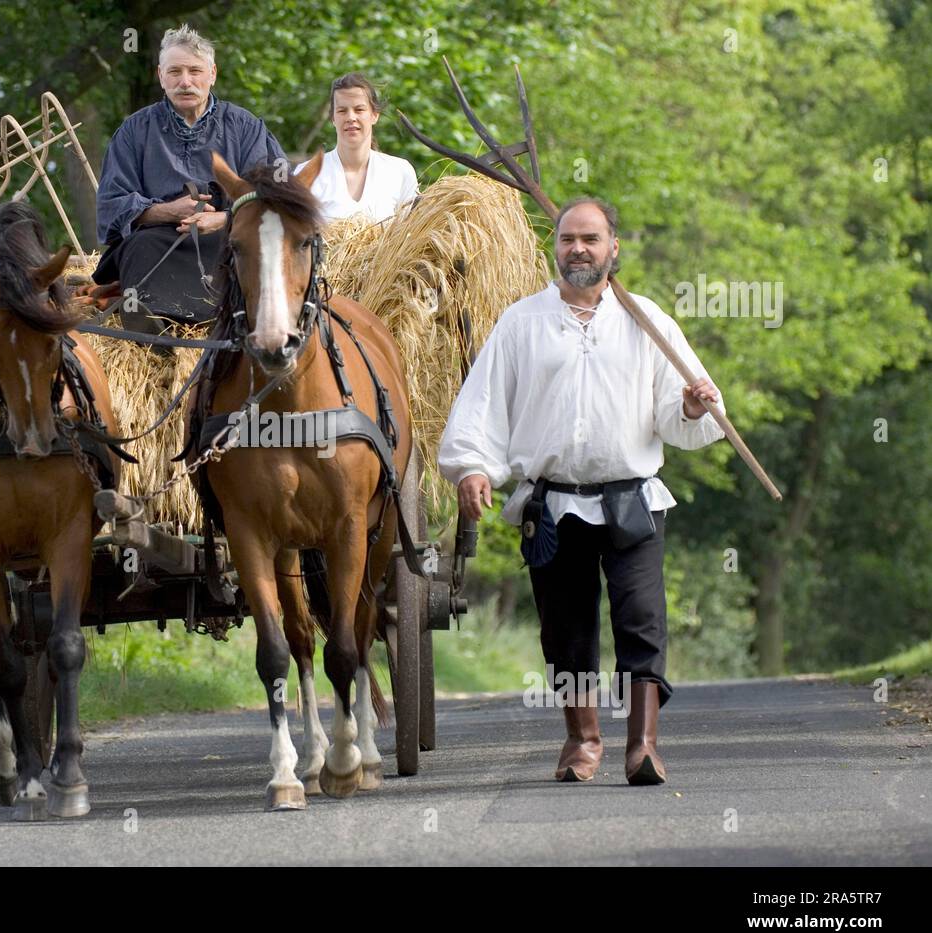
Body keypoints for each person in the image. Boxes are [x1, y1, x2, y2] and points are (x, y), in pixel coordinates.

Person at [437, 197, 726, 786]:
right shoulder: (522, 322)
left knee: (641, 621)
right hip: (552, 503)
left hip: (632, 500)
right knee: (565, 629)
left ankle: (643, 745)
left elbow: (681, 414)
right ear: (556, 247)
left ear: (613, 247)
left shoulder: (649, 321)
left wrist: (692, 406)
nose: (578, 249)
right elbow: (484, 403)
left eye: (591, 239)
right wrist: (472, 468)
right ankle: (582, 740)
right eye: (568, 239)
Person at [92, 24, 286, 326]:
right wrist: (167, 212)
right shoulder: (134, 131)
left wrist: (224, 219)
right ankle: (153, 323)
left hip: (225, 237)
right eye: (174, 72)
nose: (185, 82)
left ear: (212, 74)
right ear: (160, 76)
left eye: (195, 71)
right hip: (159, 241)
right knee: (139, 248)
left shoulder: (246, 127)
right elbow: (110, 205)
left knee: (245, 246)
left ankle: (228, 320)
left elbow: (275, 195)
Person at [296, 73, 417, 224]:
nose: (351, 117)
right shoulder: (307, 174)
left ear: (374, 115)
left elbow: (412, 238)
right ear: (333, 118)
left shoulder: (400, 172)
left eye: (359, 110)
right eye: (342, 111)